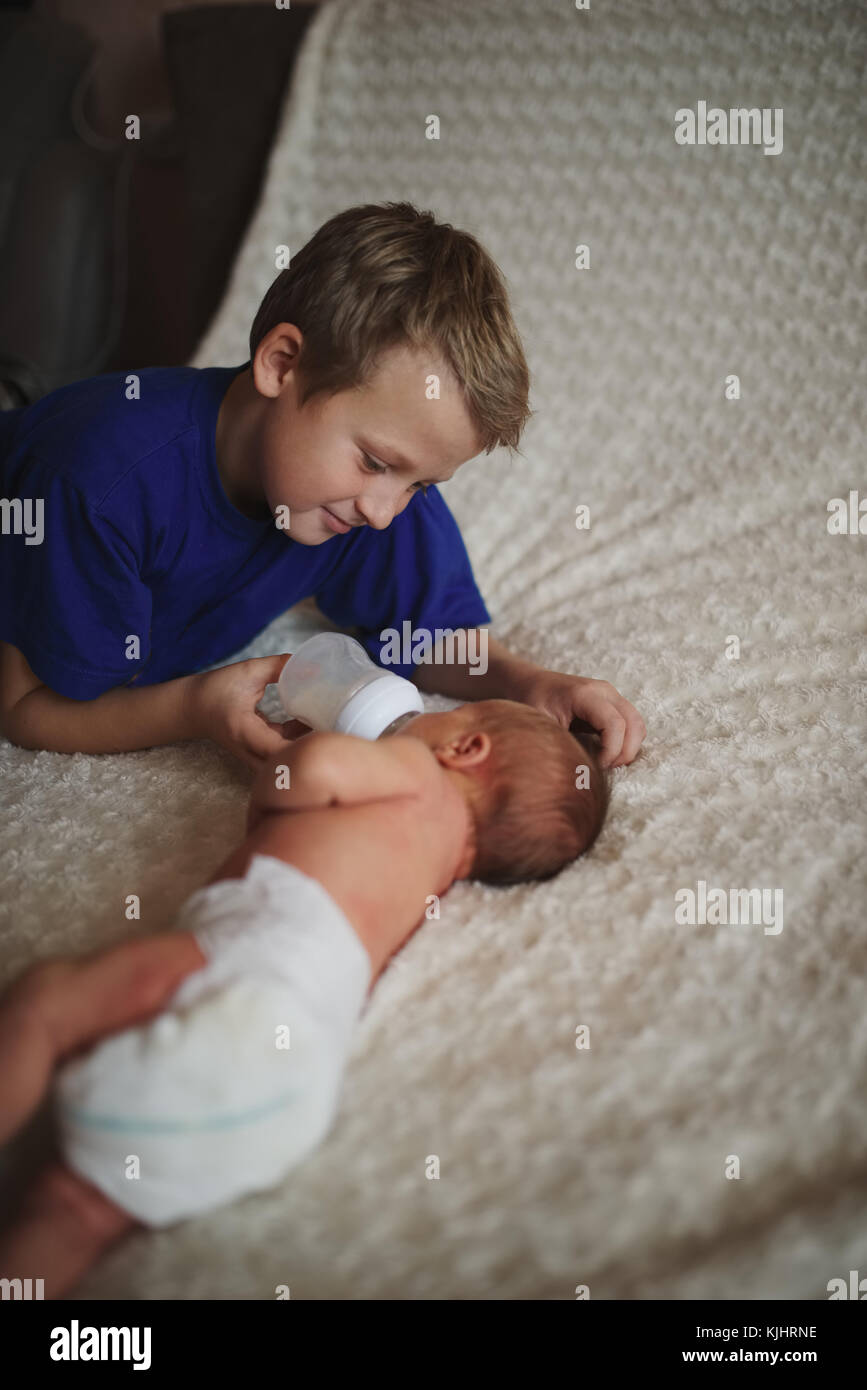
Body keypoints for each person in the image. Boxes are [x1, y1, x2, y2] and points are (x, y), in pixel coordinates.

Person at [0, 201, 645, 771]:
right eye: (373, 461)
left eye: (421, 485)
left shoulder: (365, 496)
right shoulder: (96, 488)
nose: (388, 513)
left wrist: (529, 684)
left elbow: (424, 635)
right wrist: (194, 706)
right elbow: (29, 709)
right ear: (282, 365)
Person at [0, 698, 610, 1297]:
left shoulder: (420, 772)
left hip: (252, 967)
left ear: (464, 748)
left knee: (44, 1007)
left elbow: (312, 770)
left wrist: (286, 772)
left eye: (446, 711)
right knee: (76, 1210)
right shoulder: (439, 871)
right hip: (295, 1084)